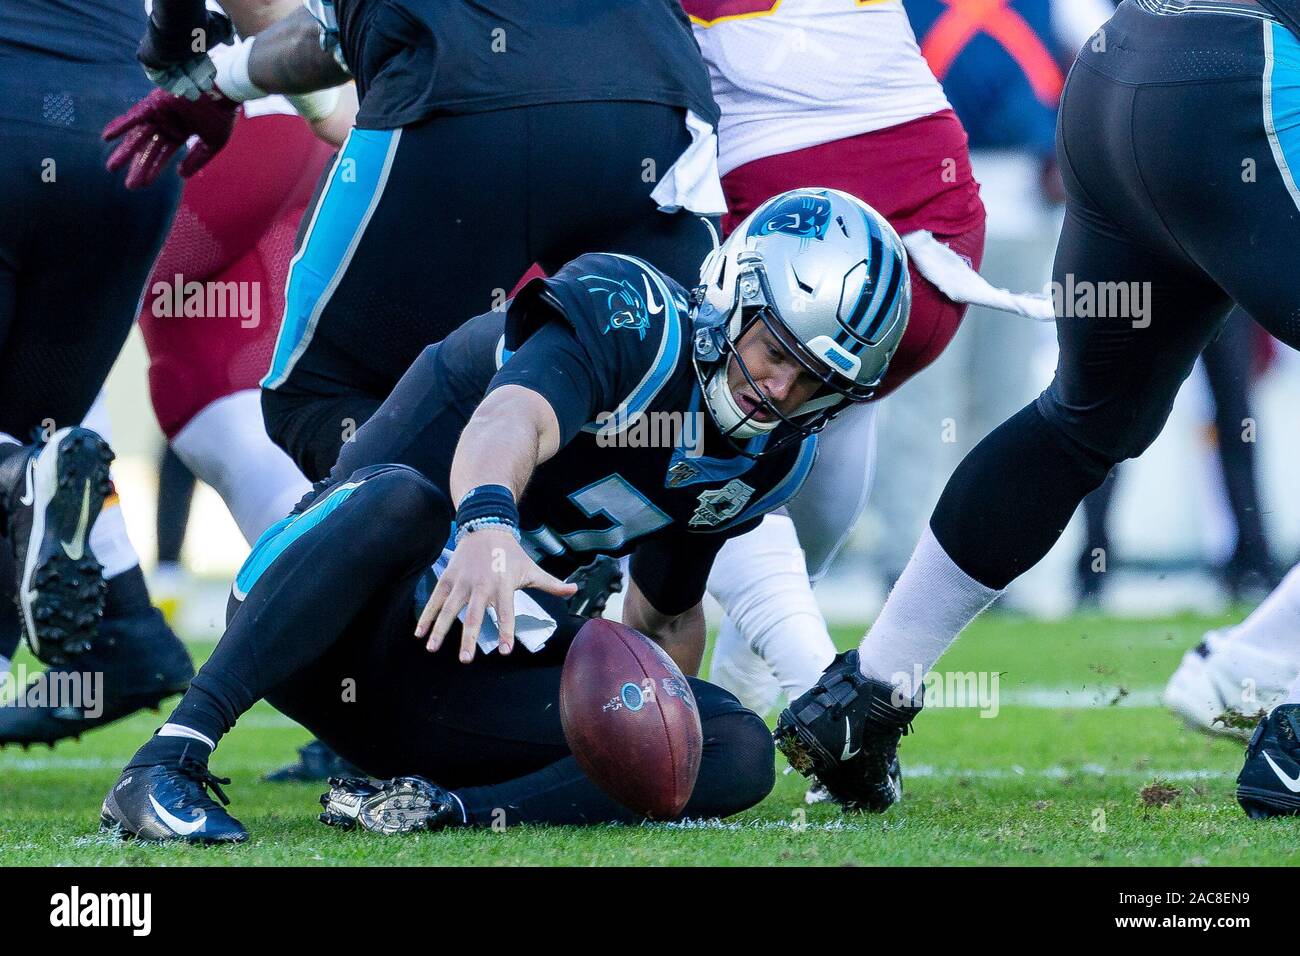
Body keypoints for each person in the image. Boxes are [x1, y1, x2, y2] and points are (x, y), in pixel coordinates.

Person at [98, 187, 910, 841]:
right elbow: (508, 422)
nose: (779, 392)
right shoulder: (632, 317)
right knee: (405, 500)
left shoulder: (765, 458)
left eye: (813, 383)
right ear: (737, 294)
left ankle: (437, 807)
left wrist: (657, 722)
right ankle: (166, 760)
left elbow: (664, 620)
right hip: (322, 617)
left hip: (460, 684)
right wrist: (487, 524)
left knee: (728, 746)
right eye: (776, 352)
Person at [773, 0, 1300, 816]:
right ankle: (1277, 698)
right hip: (1240, 76)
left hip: (1116, 72)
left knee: (1082, 420)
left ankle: (867, 693)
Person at [681, 0, 988, 712]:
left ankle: (826, 701)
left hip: (778, 217)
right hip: (931, 228)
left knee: (686, 457)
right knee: (828, 409)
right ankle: (773, 674)